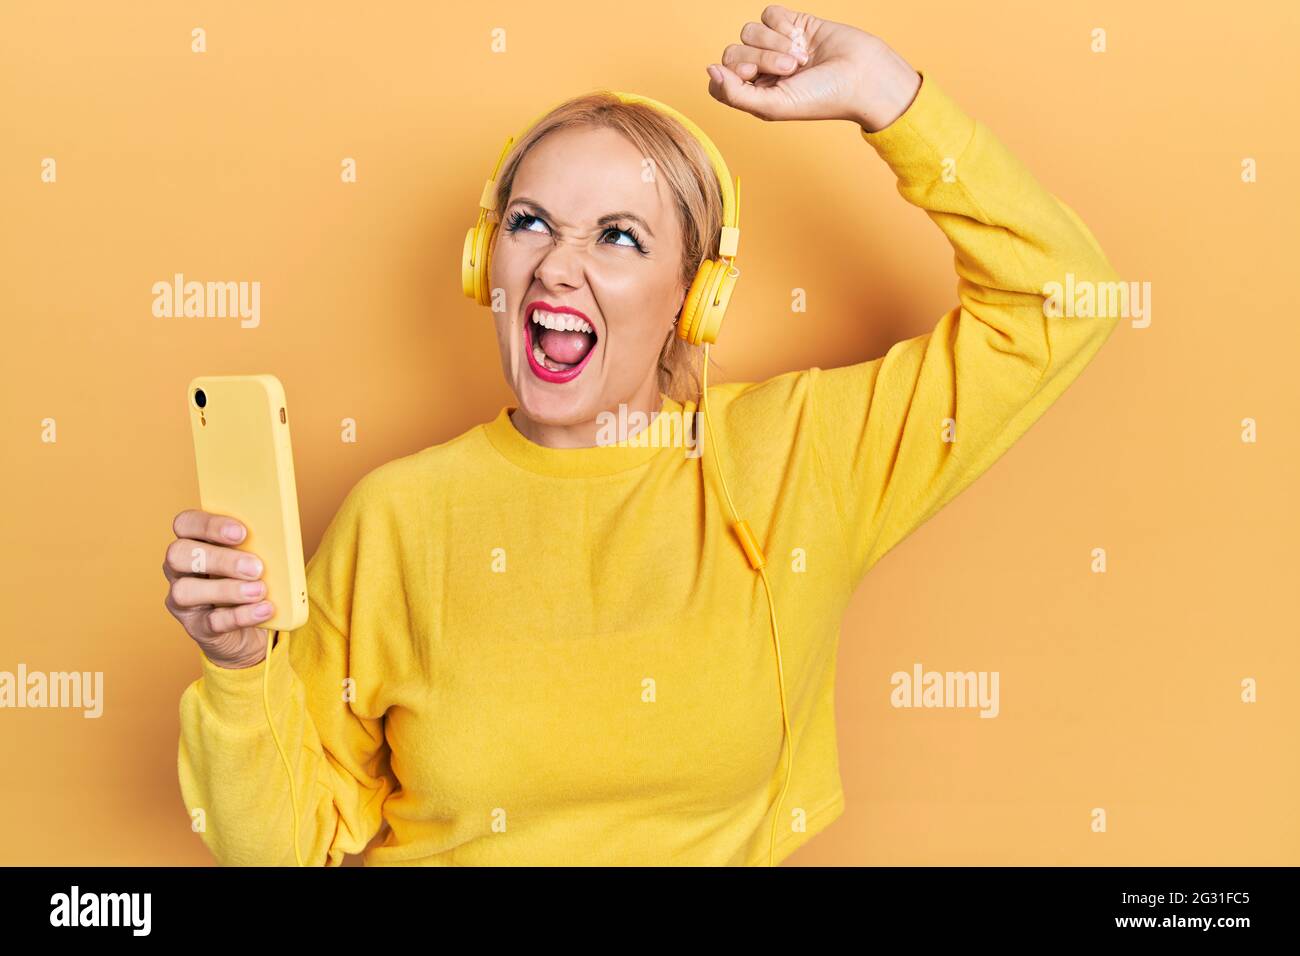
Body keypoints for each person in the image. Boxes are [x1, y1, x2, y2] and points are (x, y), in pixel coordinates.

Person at [166, 5, 1122, 865]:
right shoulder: (397, 518)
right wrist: (239, 671)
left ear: (693, 298)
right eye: (530, 223)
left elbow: (1059, 305)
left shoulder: (798, 458)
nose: (556, 269)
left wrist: (888, 96)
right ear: (484, 263)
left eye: (620, 236)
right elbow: (280, 848)